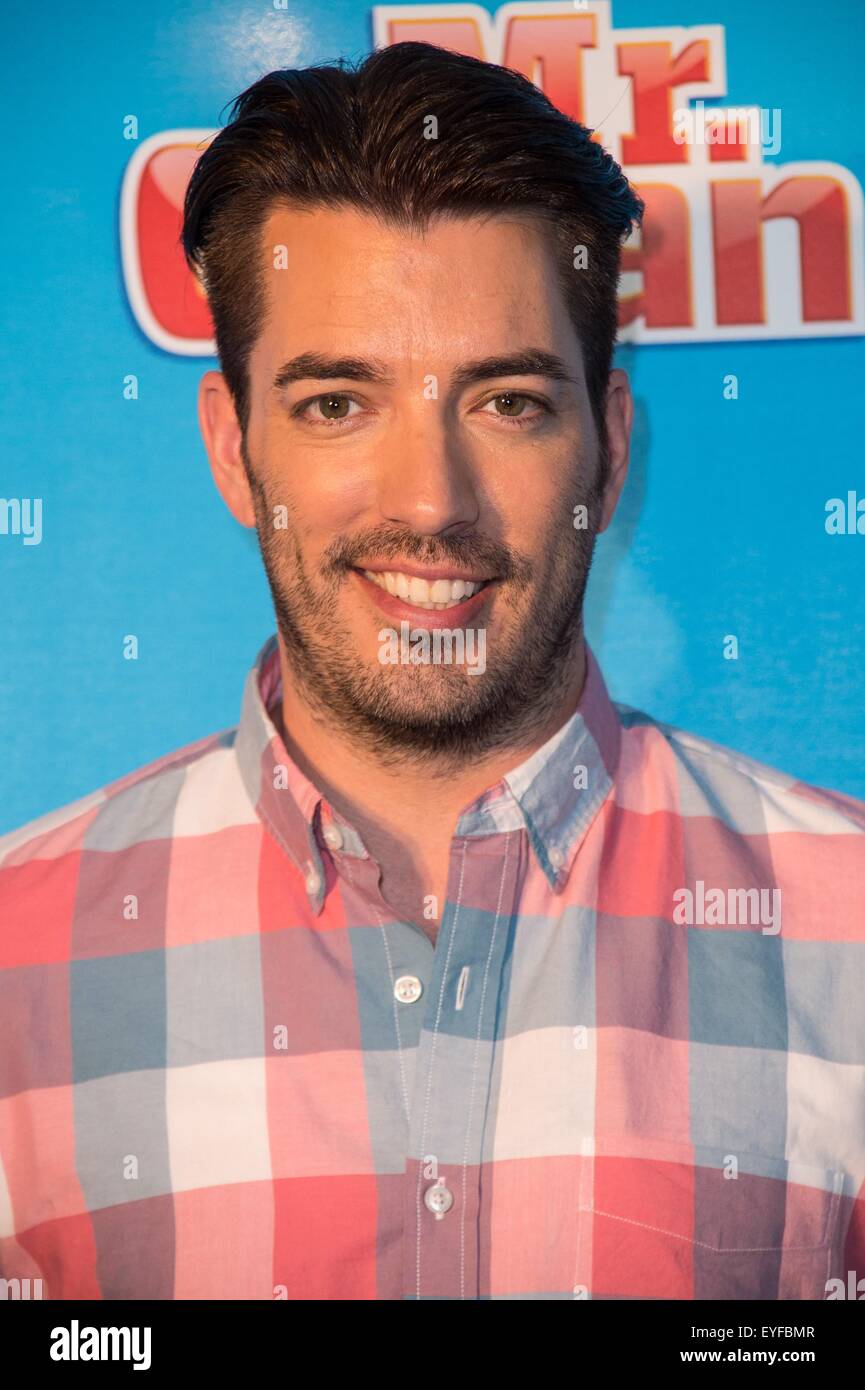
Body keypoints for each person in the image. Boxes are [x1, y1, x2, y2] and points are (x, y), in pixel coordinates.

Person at [1, 41, 863, 1302]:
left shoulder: (847, 927)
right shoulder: (16, 956)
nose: (429, 501)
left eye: (506, 402)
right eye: (336, 403)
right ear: (234, 451)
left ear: (608, 444)